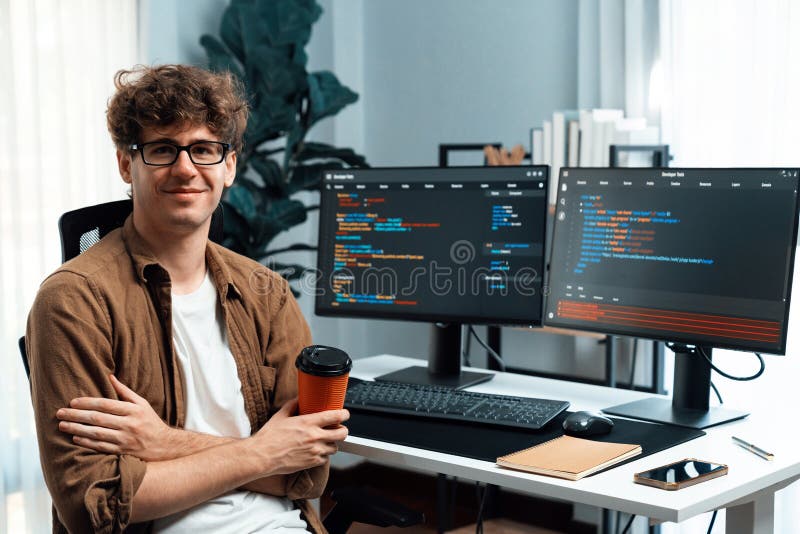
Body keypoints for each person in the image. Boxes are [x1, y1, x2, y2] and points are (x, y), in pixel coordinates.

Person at [26, 64, 349, 534]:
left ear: (229, 166)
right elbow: (91, 505)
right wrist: (263, 453)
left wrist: (164, 443)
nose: (185, 168)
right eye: (162, 149)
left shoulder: (268, 294)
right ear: (126, 164)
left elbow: (307, 473)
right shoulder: (74, 301)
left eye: (203, 149)